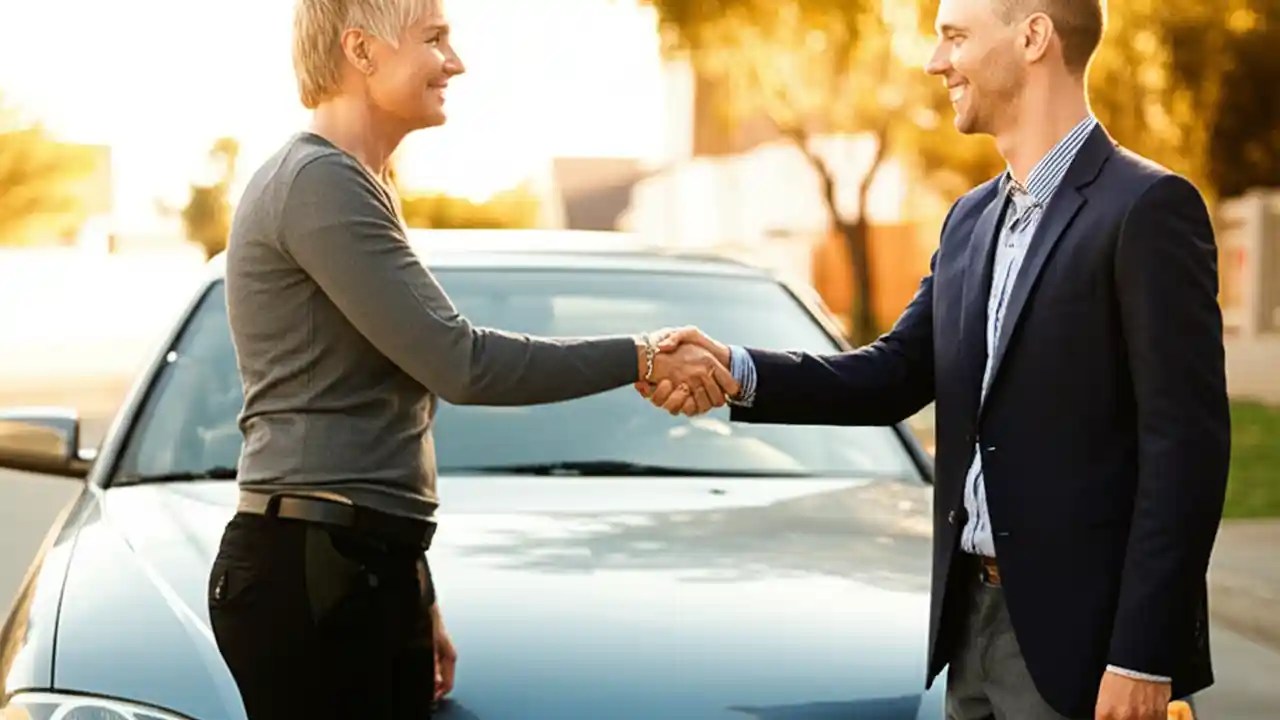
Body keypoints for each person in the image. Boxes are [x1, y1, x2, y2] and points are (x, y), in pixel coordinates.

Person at [640, 0, 1230, 718]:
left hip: (1086, 646)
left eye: (955, 37)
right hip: (967, 626)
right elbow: (891, 374)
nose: (934, 62)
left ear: (1033, 36)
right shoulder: (970, 219)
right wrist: (735, 367)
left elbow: (1186, 450)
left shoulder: (1147, 208)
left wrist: (1143, 655)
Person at [209, 0, 737, 717]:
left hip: (355, 563)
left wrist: (415, 588)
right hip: (312, 571)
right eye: (435, 39)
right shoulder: (318, 184)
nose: (455, 62)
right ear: (361, 51)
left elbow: (381, 419)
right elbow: (461, 364)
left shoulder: (354, 183)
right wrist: (641, 356)